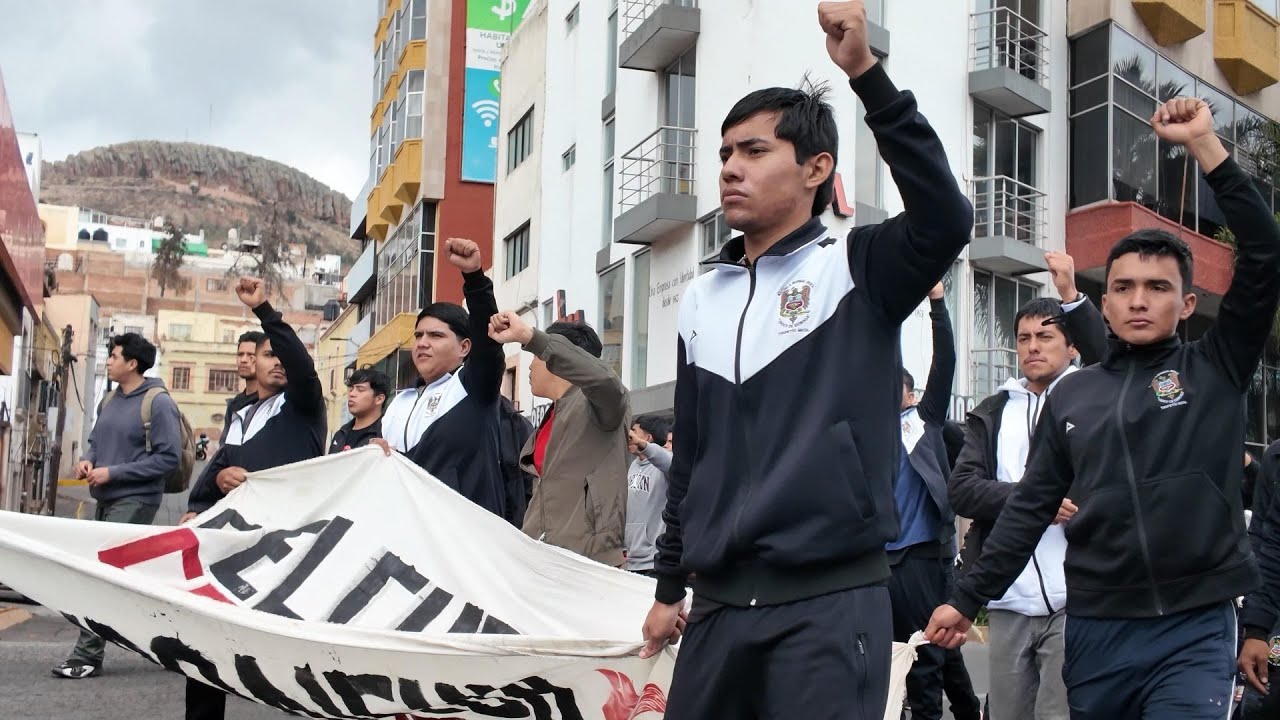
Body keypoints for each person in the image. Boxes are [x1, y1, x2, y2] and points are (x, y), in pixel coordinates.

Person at [638, 4, 975, 717]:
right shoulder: (701, 297)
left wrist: (864, 73)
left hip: (828, 605)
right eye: (726, 153)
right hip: (718, 609)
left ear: (817, 167)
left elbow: (946, 215)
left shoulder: (858, 265)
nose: (731, 168)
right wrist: (670, 587)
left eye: (754, 151)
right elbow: (691, 459)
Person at [926, 97, 1280, 719]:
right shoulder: (1072, 393)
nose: (1139, 300)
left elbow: (1267, 253)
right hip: (1097, 626)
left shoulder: (1215, 367)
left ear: (1188, 304)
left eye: (1158, 287)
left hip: (1194, 626)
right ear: (1104, 302)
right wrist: (966, 595)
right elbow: (1029, 509)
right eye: (1123, 287)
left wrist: (1207, 149)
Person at [947, 252, 1107, 720]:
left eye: (1046, 336)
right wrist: (1033, 500)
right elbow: (963, 489)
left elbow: (1114, 358)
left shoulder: (1093, 396)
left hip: (1076, 594)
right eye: (1024, 338)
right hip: (1008, 596)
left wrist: (1072, 295)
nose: (1033, 346)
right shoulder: (993, 410)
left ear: (1072, 347)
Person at [181, 278, 327, 720]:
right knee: (205, 648)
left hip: (288, 546)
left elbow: (301, 366)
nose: (278, 360)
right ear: (253, 365)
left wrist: (265, 308)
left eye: (281, 353)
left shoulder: (303, 405)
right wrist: (203, 497)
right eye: (268, 354)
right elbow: (217, 470)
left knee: (293, 664)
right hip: (235, 546)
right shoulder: (242, 415)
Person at [51, 333, 183, 680]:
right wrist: (87, 461)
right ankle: (167, 639)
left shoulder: (158, 403)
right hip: (104, 498)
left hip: (137, 499)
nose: (108, 360)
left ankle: (87, 655)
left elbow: (168, 458)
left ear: (132, 364)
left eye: (114, 356)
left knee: (102, 575)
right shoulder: (108, 400)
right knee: (121, 577)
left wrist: (115, 473)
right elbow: (96, 441)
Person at [371, 239, 509, 520]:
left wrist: (474, 277)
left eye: (436, 336)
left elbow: (488, 340)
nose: (422, 343)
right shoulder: (398, 403)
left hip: (461, 538)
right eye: (419, 335)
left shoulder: (472, 389)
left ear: (464, 348)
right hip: (406, 534)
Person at [886, 282, 969, 720]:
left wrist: (936, 302)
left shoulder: (924, 419)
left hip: (919, 558)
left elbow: (946, 360)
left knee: (926, 662)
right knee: (883, 659)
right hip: (874, 560)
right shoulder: (866, 428)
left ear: (909, 391)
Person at [487, 312, 629, 566]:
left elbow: (604, 379)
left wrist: (532, 338)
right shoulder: (550, 417)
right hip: (541, 562)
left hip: (589, 565)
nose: (530, 366)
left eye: (535, 356)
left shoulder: (600, 403)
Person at [1238, 438, 1280, 717]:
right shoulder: (1276, 456)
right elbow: (1267, 544)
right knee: (1262, 701)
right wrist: (1255, 629)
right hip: (1273, 616)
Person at [626, 415, 673, 576]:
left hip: (655, 560)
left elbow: (666, 459)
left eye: (634, 431)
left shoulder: (665, 465)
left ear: (647, 437)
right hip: (633, 559)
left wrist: (641, 444)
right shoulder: (633, 465)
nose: (630, 436)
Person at [328, 367, 389, 452]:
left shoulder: (387, 434)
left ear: (379, 399)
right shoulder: (340, 435)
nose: (352, 394)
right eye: (351, 389)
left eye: (360, 390)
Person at [219, 331, 265, 445]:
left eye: (251, 355)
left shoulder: (271, 402)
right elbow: (224, 447)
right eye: (240, 354)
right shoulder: (234, 404)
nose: (243, 360)